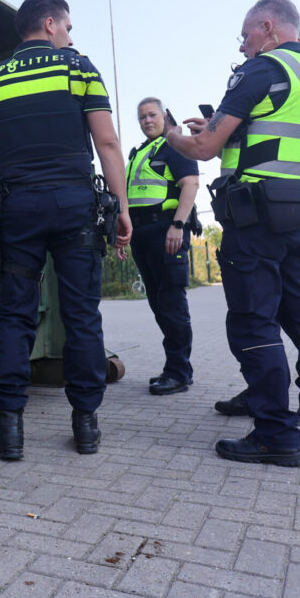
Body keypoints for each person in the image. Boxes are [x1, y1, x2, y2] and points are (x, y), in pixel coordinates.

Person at [165, 0, 300, 467]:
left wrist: (169, 133)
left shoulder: (262, 70)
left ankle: (274, 434)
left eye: (245, 36)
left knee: (254, 322)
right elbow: (284, 139)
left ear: (267, 27)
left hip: (257, 220)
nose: (243, 46)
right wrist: (228, 129)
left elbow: (203, 149)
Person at [0, 0, 131, 459]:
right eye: (68, 27)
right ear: (50, 24)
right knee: (81, 314)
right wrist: (123, 208)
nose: (71, 36)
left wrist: (1, 183)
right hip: (75, 205)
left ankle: (10, 427)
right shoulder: (78, 69)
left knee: (15, 314)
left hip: (21, 209)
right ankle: (86, 425)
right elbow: (108, 143)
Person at [120, 98, 199, 395]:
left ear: (164, 115)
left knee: (172, 305)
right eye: (142, 117)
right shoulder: (140, 151)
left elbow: (190, 184)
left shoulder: (175, 144)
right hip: (143, 234)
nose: (147, 121)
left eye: (152, 115)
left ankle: (179, 373)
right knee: (159, 306)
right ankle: (175, 368)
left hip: (167, 232)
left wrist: (178, 226)